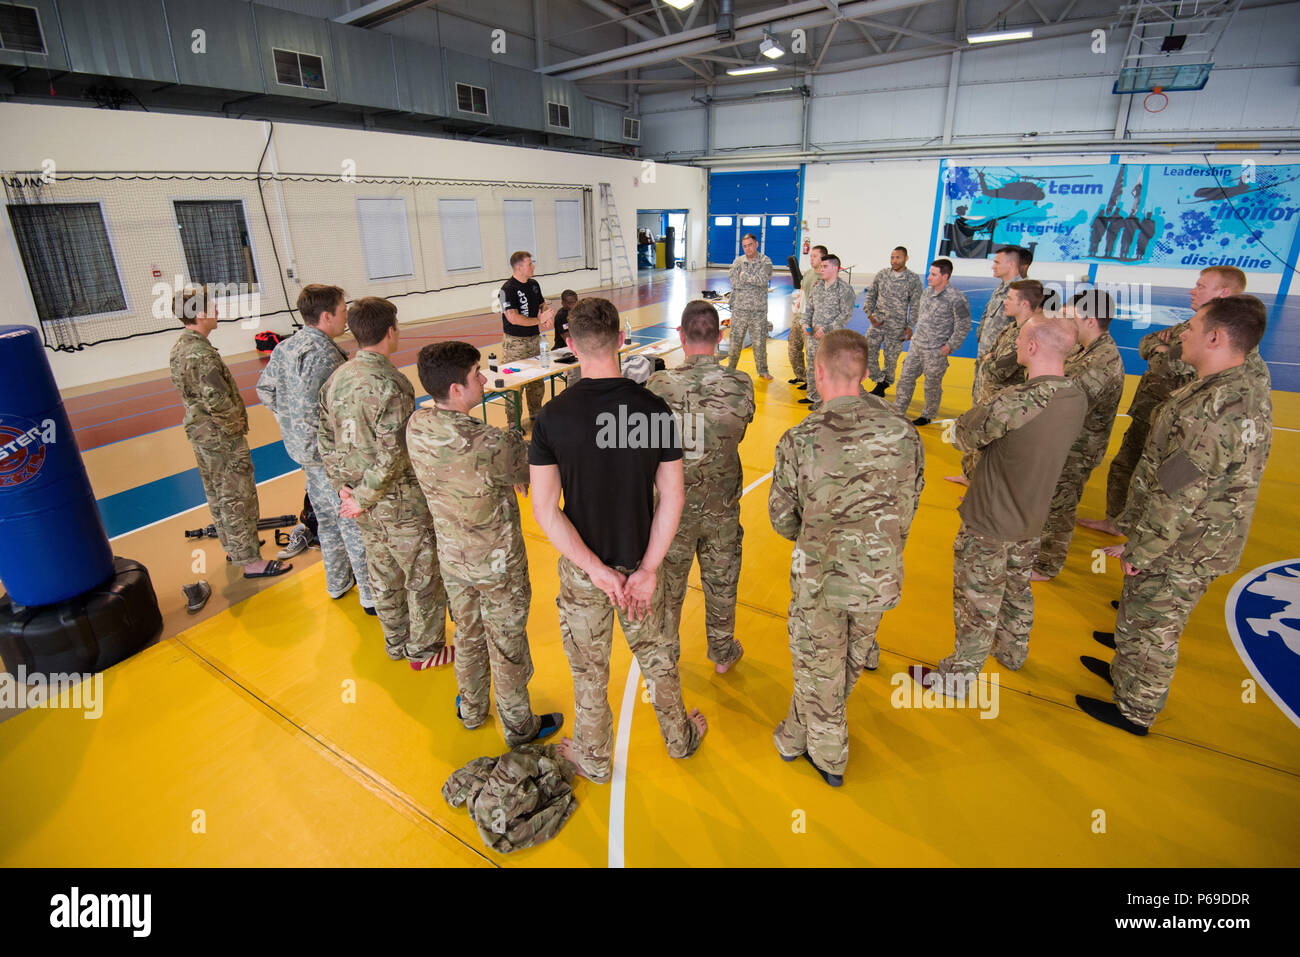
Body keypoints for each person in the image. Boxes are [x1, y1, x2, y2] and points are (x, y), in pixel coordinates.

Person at [529, 297, 707, 783]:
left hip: (584, 574)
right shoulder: (653, 410)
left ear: (570, 344)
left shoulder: (552, 418)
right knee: (659, 658)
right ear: (622, 340)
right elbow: (673, 496)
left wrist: (595, 569)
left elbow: (545, 509)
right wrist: (647, 569)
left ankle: (593, 758)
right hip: (640, 562)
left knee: (589, 671)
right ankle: (680, 739)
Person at [1079, 295, 1272, 734]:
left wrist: (1141, 549)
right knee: (1141, 614)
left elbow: (1177, 492)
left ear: (1216, 338)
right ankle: (1126, 676)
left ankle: (1135, 710)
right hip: (1189, 535)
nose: (1183, 334)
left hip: (1184, 544)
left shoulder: (1214, 409)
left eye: (1192, 328)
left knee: (1155, 627)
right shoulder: (1229, 385)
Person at [770, 329, 924, 786]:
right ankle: (797, 728)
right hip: (878, 573)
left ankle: (828, 755)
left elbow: (782, 519)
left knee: (818, 662)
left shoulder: (801, 438)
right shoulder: (903, 433)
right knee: (851, 657)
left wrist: (820, 534)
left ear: (818, 371)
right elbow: (907, 507)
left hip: (821, 576)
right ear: (865, 372)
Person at [911, 316, 1085, 691]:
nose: (1016, 344)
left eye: (1021, 339)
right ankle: (1012, 650)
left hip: (991, 519)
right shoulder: (1075, 396)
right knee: (1017, 587)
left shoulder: (1016, 401)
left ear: (1033, 347)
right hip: (1032, 516)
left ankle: (958, 678)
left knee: (977, 601)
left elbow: (962, 435)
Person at [406, 341, 562, 744]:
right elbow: (533, 469)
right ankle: (519, 726)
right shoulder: (492, 443)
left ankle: (472, 707)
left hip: (453, 558)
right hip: (497, 565)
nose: (484, 379)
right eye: (476, 374)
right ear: (456, 389)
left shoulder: (417, 426)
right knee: (506, 643)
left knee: (469, 633)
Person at [318, 297, 451, 669]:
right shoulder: (392, 383)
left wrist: (344, 487)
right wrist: (362, 495)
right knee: (422, 574)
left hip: (360, 503)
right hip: (398, 503)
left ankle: (396, 641)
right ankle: (424, 649)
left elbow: (324, 437)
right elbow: (394, 452)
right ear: (391, 331)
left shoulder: (336, 378)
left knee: (383, 573)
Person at [1079, 266, 1250, 537]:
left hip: (1180, 425)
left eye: (1201, 286)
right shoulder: (1190, 326)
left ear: (1223, 292)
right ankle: (1117, 522)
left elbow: (1170, 363)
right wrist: (1160, 347)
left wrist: (1163, 351)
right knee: (1126, 467)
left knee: (1161, 482)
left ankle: (1141, 537)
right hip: (1151, 412)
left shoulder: (1229, 336)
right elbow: (1146, 343)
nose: (1192, 290)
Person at [647, 300, 755, 675]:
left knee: (668, 588)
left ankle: (666, 656)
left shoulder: (658, 385)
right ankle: (722, 652)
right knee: (722, 581)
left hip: (671, 512)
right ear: (720, 335)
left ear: (681, 335)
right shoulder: (740, 383)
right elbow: (739, 430)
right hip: (720, 507)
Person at [256, 284, 373, 611]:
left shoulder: (285, 347)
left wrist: (289, 421)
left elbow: (264, 390)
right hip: (331, 458)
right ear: (326, 316)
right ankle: (370, 595)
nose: (346, 318)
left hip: (304, 454)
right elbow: (341, 409)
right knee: (350, 522)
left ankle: (337, 582)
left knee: (326, 521)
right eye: (342, 311)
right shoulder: (325, 355)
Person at [168, 284, 289, 579]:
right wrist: (236, 430)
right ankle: (251, 561)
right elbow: (218, 401)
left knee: (218, 494)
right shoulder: (201, 354)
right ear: (200, 314)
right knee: (237, 497)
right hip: (221, 437)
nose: (217, 311)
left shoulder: (181, 347)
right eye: (211, 307)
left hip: (202, 433)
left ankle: (235, 547)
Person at [1031, 290, 1124, 581]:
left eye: (1069, 317)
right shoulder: (1082, 348)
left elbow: (1065, 404)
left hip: (1076, 449)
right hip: (1062, 441)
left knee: (1060, 504)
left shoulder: (1101, 362)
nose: (1062, 321)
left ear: (1090, 320)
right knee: (1050, 499)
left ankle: (1047, 565)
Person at [948, 278, 1042, 483]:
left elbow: (997, 372)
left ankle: (980, 486)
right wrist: (989, 360)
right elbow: (989, 356)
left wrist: (988, 361)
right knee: (979, 442)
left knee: (994, 449)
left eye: (1009, 298)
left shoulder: (1028, 333)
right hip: (989, 397)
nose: (1005, 302)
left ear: (1024, 304)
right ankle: (969, 476)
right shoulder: (1010, 329)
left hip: (1003, 404)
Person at [891, 258, 971, 426]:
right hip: (917, 346)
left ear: (945, 276)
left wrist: (950, 346)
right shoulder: (927, 292)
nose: (928, 277)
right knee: (905, 378)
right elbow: (922, 317)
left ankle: (928, 414)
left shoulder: (957, 298)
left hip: (935, 350)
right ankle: (898, 409)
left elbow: (964, 325)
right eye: (929, 273)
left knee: (931, 385)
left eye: (933, 274)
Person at [499, 250, 556, 430]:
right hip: (515, 343)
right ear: (518, 267)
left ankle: (536, 414)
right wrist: (539, 320)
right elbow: (513, 318)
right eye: (530, 264)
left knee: (536, 380)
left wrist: (546, 315)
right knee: (514, 383)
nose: (533, 267)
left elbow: (541, 303)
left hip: (534, 340)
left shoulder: (533, 284)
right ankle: (513, 422)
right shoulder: (506, 289)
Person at [863, 246, 923, 397]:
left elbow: (915, 305)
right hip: (878, 322)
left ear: (906, 259)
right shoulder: (882, 274)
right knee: (866, 351)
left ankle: (883, 385)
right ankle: (879, 379)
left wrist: (910, 327)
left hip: (897, 326)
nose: (894, 261)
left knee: (891, 359)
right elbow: (871, 295)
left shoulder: (913, 279)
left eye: (898, 258)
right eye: (892, 257)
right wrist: (870, 315)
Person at [800, 253, 857, 410]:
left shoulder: (844, 289)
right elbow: (809, 309)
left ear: (835, 268)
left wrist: (826, 329)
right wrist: (805, 324)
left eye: (825, 266)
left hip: (832, 339)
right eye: (820, 266)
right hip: (813, 337)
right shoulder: (817, 287)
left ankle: (829, 400)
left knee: (830, 369)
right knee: (813, 366)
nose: (821, 269)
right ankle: (813, 396)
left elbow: (845, 315)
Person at [972, 246, 1029, 399]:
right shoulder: (1001, 288)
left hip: (1001, 369)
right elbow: (987, 317)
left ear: (1011, 264)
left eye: (997, 262)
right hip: (986, 360)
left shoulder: (1023, 291)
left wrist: (997, 359)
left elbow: (1024, 330)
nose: (993, 266)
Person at [727, 233, 774, 381]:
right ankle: (730, 369)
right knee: (735, 342)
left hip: (758, 311)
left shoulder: (765, 261)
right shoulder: (738, 261)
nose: (748, 248)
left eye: (750, 245)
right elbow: (734, 282)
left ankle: (763, 370)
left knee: (759, 343)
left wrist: (745, 277)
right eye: (745, 246)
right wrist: (752, 281)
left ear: (756, 244)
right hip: (739, 309)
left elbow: (763, 280)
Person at [788, 244, 826, 388]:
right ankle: (801, 376)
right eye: (810, 256)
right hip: (799, 316)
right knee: (793, 348)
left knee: (812, 353)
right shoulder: (809, 273)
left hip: (811, 320)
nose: (811, 259)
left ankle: (812, 381)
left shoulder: (824, 277)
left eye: (815, 256)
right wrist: (798, 302)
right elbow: (802, 289)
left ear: (823, 258)